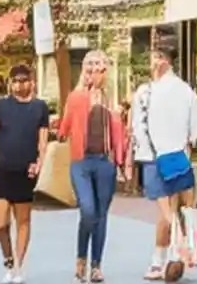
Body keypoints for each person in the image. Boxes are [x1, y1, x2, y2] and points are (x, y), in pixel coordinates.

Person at [127, 30, 197, 281]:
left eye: (154, 56)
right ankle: (169, 255)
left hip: (153, 156)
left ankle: (172, 249)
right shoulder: (187, 91)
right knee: (180, 208)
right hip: (179, 156)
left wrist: (134, 156)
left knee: (166, 212)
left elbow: (137, 127)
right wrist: (186, 144)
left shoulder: (145, 92)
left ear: (162, 59)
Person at [59, 50, 127, 282]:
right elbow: (64, 128)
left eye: (99, 65)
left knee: (101, 214)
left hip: (104, 162)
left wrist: (121, 161)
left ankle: (96, 264)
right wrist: (83, 93)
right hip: (81, 161)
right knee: (87, 210)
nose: (94, 70)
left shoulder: (111, 98)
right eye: (90, 65)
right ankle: (81, 257)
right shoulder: (76, 97)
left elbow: (119, 134)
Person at [0, 64, 49, 284]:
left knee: (23, 220)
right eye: (15, 81)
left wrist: (40, 162)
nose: (19, 85)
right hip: (3, 167)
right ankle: (7, 257)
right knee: (0, 223)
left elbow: (43, 139)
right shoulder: (1, 105)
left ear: (31, 81)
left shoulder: (40, 107)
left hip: (26, 168)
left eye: (23, 80)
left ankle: (18, 265)